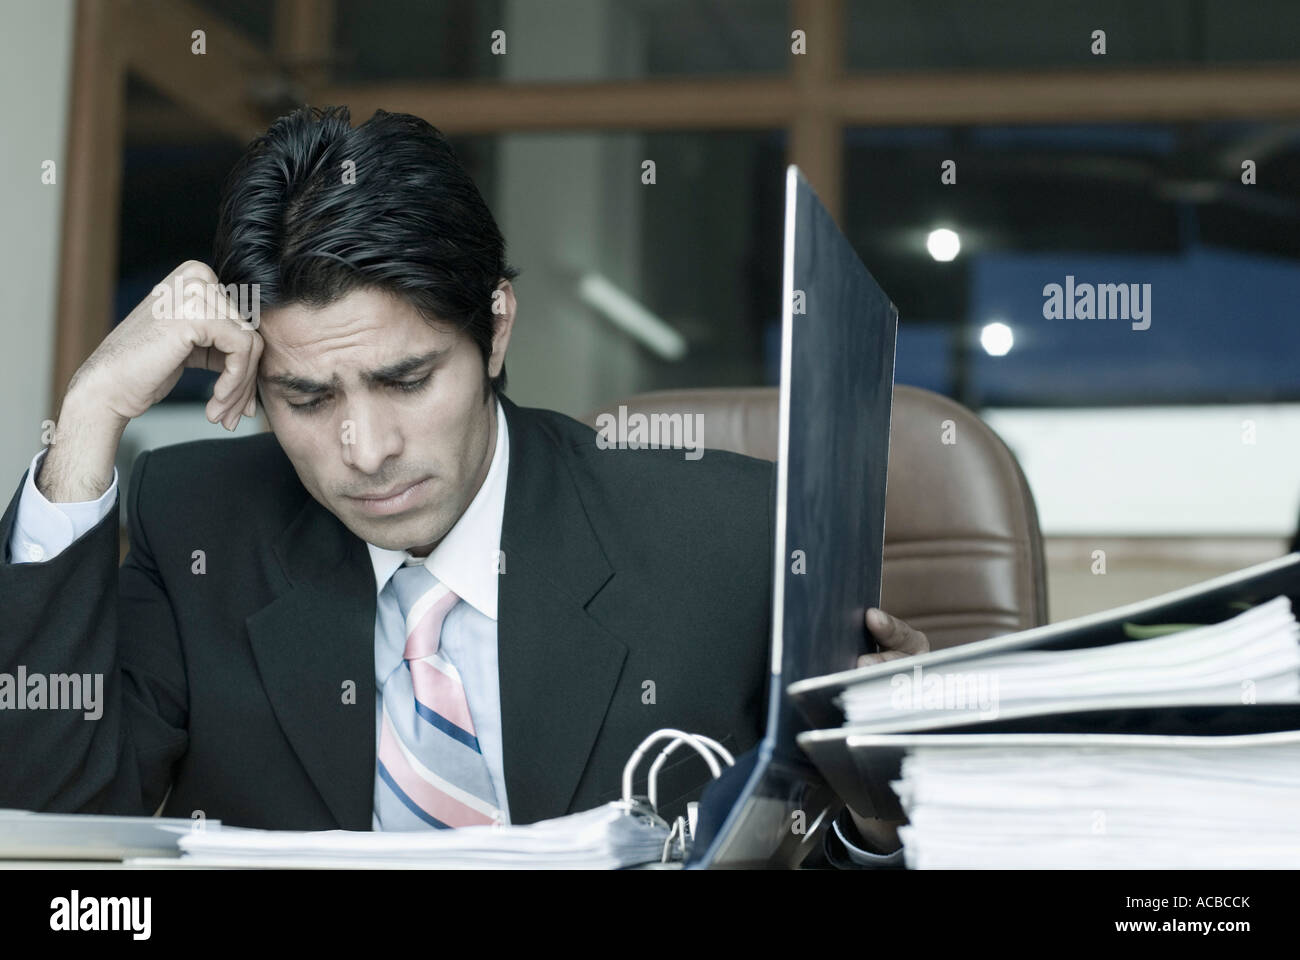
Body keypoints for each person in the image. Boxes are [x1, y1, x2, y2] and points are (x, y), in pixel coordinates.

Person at [0, 106, 926, 866]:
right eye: (306, 397)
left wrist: (881, 809)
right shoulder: (199, 522)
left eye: (406, 381)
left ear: (495, 330)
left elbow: (834, 849)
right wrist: (86, 419)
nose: (364, 449)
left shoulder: (730, 538)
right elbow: (52, 827)